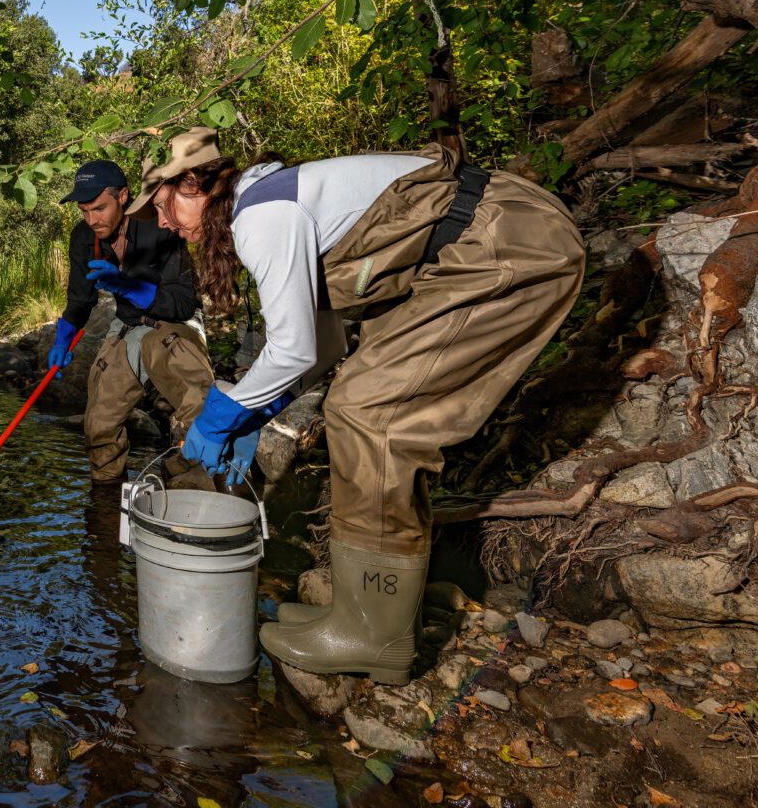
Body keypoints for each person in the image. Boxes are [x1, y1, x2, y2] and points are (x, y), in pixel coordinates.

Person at [129, 127, 584, 685]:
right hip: (488, 244)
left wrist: (224, 409)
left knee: (371, 414)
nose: (164, 223)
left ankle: (375, 634)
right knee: (359, 400)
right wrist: (257, 413)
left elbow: (294, 349)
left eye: (163, 205)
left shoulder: (262, 216)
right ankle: (359, 612)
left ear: (192, 183)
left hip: (508, 244)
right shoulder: (270, 202)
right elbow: (325, 350)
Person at [48, 159, 214, 486]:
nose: (91, 220)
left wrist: (129, 287)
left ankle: (191, 485)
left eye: (99, 208)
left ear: (123, 196)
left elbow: (181, 303)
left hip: (173, 324)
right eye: (84, 211)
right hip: (125, 327)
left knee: (201, 410)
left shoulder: (162, 225)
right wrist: (63, 337)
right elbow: (81, 299)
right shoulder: (83, 238)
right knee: (98, 426)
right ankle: (107, 509)